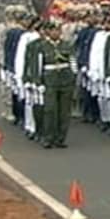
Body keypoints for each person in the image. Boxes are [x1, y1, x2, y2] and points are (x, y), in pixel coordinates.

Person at [36, 20, 76, 148]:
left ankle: (60, 138)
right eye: (53, 30)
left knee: (64, 111)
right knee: (50, 110)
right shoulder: (42, 46)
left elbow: (73, 62)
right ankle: (48, 137)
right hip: (50, 81)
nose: (56, 33)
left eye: (58, 30)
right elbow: (38, 65)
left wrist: (73, 77)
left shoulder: (66, 45)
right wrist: (38, 82)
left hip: (65, 80)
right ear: (48, 32)